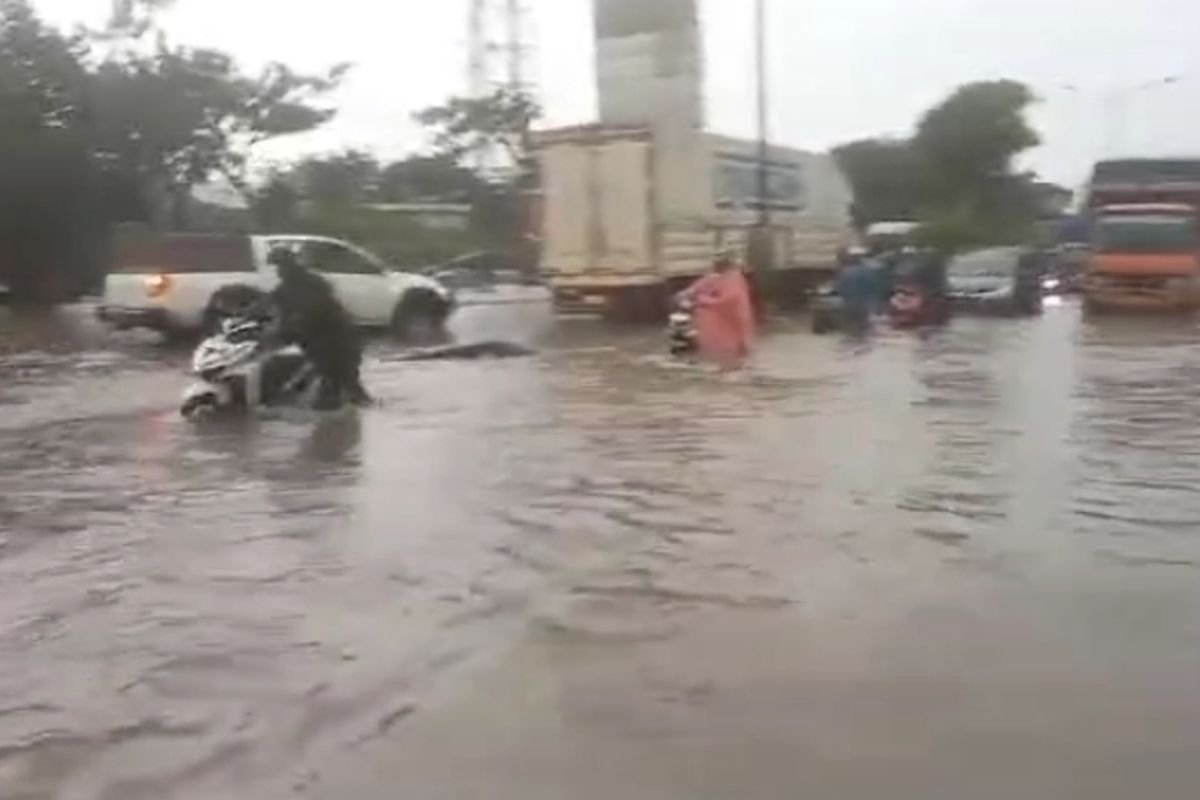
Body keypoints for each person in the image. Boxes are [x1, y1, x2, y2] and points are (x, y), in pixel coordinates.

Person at [268, 247, 372, 410]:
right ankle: (346, 417)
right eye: (277, 267)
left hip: (337, 339)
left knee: (341, 383)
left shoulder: (314, 283)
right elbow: (272, 307)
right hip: (320, 341)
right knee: (341, 384)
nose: (278, 271)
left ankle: (341, 421)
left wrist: (292, 323)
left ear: (290, 265)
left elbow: (315, 309)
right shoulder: (284, 289)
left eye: (280, 266)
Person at [676, 250, 756, 368]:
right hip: (724, 325)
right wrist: (687, 293)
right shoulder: (717, 276)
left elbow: (727, 301)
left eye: (717, 263)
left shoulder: (733, 279)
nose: (714, 266)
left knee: (733, 353)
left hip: (732, 323)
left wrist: (699, 301)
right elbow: (701, 285)